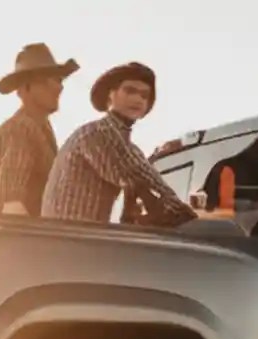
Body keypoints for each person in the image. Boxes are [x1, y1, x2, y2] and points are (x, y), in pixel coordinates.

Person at [40, 61, 197, 227]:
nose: (137, 99)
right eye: (130, 91)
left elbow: (149, 182)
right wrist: (191, 220)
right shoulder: (98, 133)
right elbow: (141, 181)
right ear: (111, 94)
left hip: (89, 238)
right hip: (70, 239)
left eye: (144, 95)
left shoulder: (130, 148)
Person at [0, 43, 79, 217]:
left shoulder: (41, 128)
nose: (59, 87)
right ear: (26, 88)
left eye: (59, 80)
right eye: (49, 80)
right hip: (19, 239)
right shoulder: (21, 129)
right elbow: (11, 205)